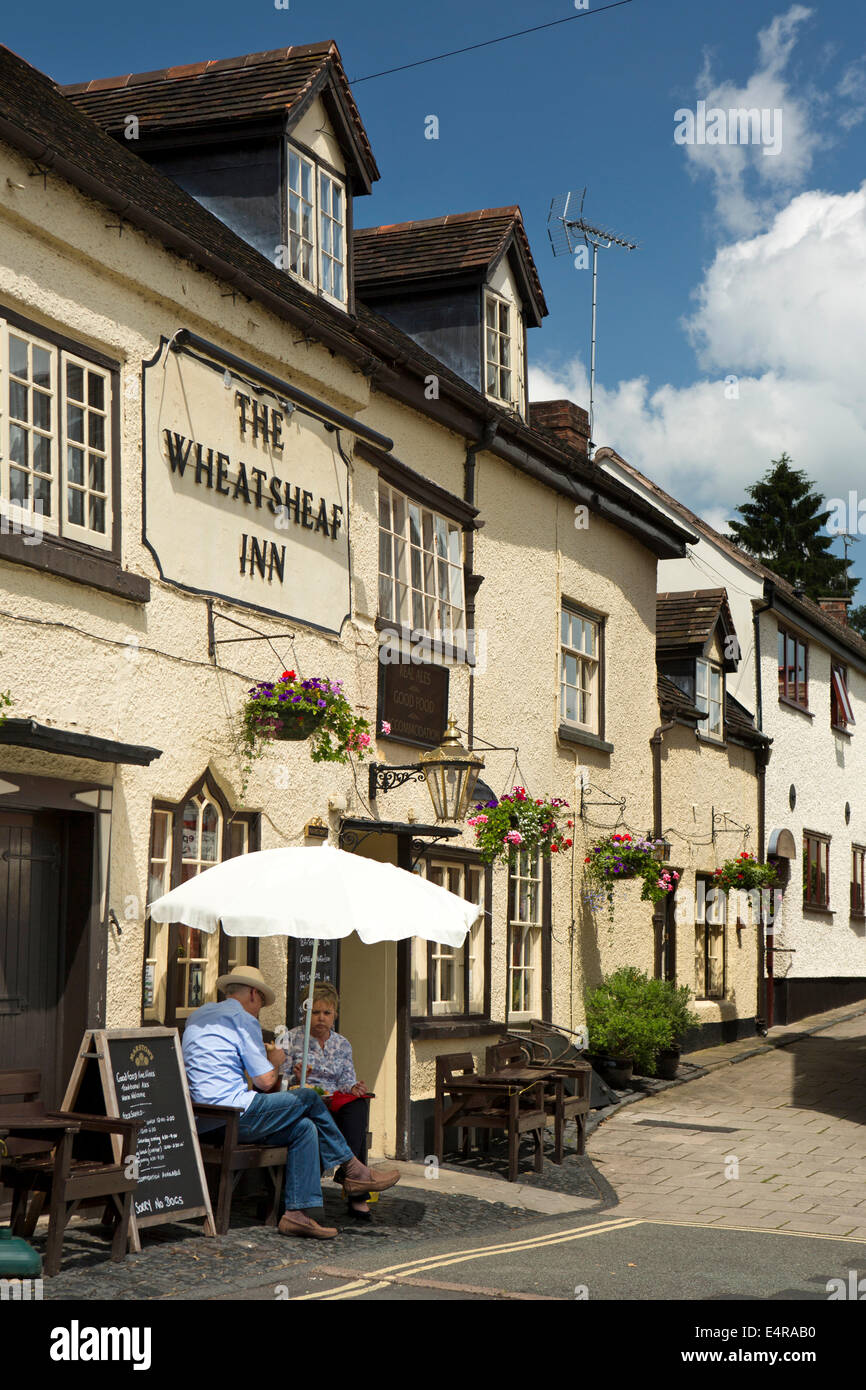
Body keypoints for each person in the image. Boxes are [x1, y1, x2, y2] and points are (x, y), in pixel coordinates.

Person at [182, 966, 400, 1239]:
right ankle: (354, 1169)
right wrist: (275, 1061)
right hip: (234, 1115)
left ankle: (298, 1214)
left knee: (305, 1128)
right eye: (261, 1001)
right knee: (308, 1097)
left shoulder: (199, 1015)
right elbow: (264, 1081)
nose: (259, 1008)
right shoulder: (243, 1019)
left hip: (203, 1120)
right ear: (252, 993)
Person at [286, 983, 372, 1218]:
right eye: (315, 1013)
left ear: (335, 1015)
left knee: (358, 1106)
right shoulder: (292, 1039)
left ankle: (348, 1175)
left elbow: (345, 1082)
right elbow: (276, 1083)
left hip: (332, 1103)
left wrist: (355, 1088)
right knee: (342, 1119)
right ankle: (355, 1186)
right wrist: (294, 1075)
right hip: (304, 1105)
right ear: (305, 1013)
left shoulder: (342, 1044)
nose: (321, 1019)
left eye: (326, 1013)